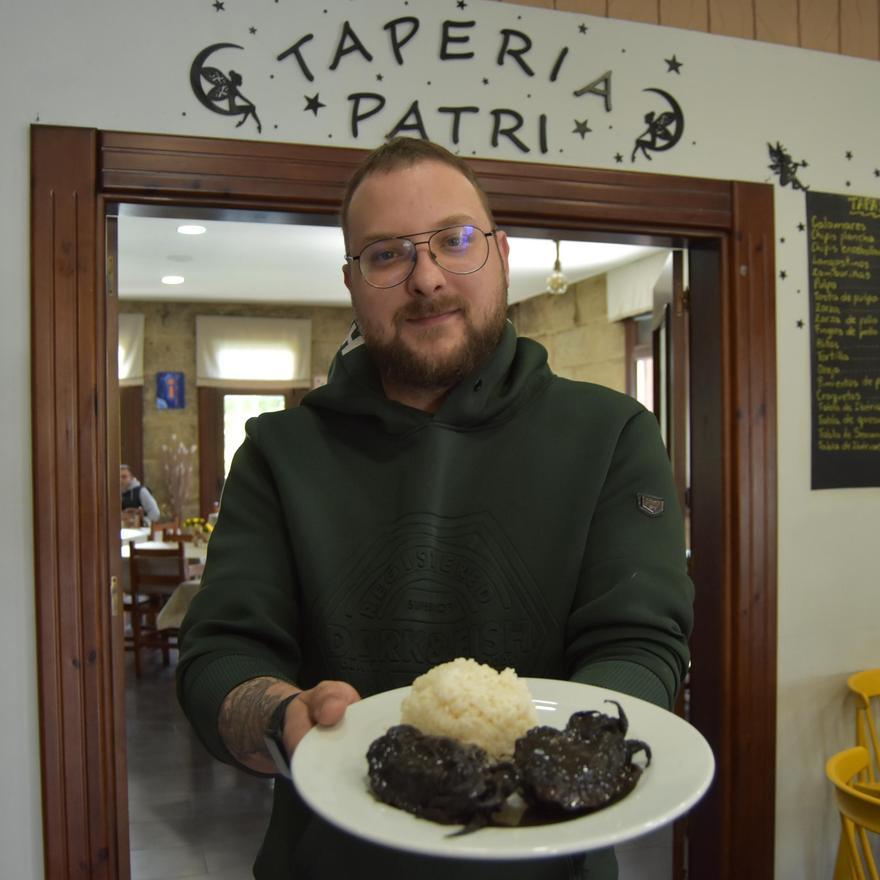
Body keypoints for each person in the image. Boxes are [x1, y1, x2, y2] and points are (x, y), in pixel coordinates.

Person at [177, 137, 694, 880]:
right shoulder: (275, 453)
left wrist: (561, 762)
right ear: (352, 281)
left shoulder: (612, 435)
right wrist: (280, 716)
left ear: (501, 254)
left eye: (455, 240)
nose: (425, 278)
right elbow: (219, 655)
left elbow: (640, 644)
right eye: (387, 254)